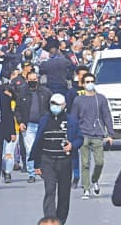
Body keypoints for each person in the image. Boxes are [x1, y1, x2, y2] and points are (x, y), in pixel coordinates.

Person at [30, 93, 83, 223]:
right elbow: (38, 142)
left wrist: (72, 145)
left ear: (64, 105)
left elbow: (80, 138)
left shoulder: (71, 120)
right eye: (53, 104)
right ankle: (50, 220)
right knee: (49, 190)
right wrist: (37, 164)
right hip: (47, 160)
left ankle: (61, 220)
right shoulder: (44, 120)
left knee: (64, 193)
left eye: (58, 104)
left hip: (64, 161)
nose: (55, 106)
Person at [69, 72, 114, 199]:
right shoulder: (78, 100)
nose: (90, 84)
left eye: (91, 81)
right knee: (85, 163)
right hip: (83, 134)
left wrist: (110, 134)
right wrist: (72, 136)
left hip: (98, 134)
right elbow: (73, 119)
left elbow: (107, 116)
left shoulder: (101, 99)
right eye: (87, 82)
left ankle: (95, 179)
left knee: (99, 162)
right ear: (83, 84)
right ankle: (86, 188)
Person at [16, 70, 52, 183]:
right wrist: (20, 122)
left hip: (43, 125)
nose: (33, 81)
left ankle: (43, 170)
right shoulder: (22, 92)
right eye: (30, 80)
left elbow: (51, 107)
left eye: (34, 79)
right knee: (30, 150)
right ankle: (31, 173)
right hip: (28, 126)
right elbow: (17, 110)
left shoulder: (46, 92)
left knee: (44, 149)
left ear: (38, 79)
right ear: (27, 80)